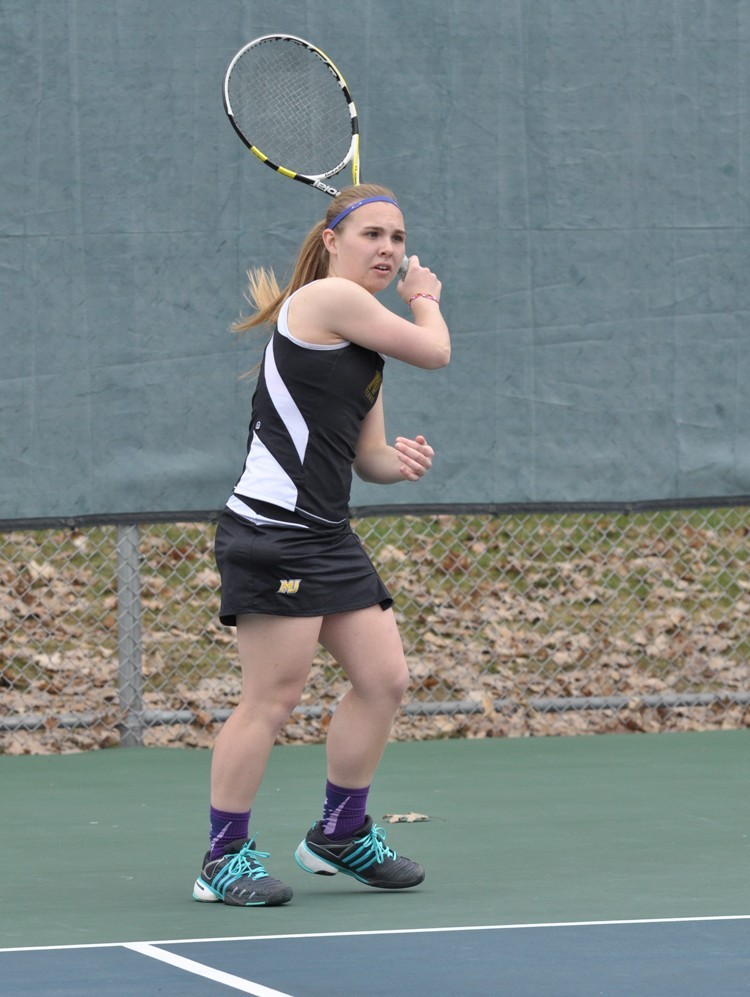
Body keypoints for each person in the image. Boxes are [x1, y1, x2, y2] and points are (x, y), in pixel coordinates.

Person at [192, 183, 451, 907]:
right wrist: (424, 297)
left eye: (398, 238)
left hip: (327, 534)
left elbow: (367, 457)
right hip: (272, 533)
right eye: (373, 235)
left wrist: (397, 464)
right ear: (332, 241)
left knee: (383, 680)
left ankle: (340, 834)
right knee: (271, 699)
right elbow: (435, 350)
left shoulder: (362, 339)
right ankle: (222, 858)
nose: (389, 250)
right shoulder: (326, 300)